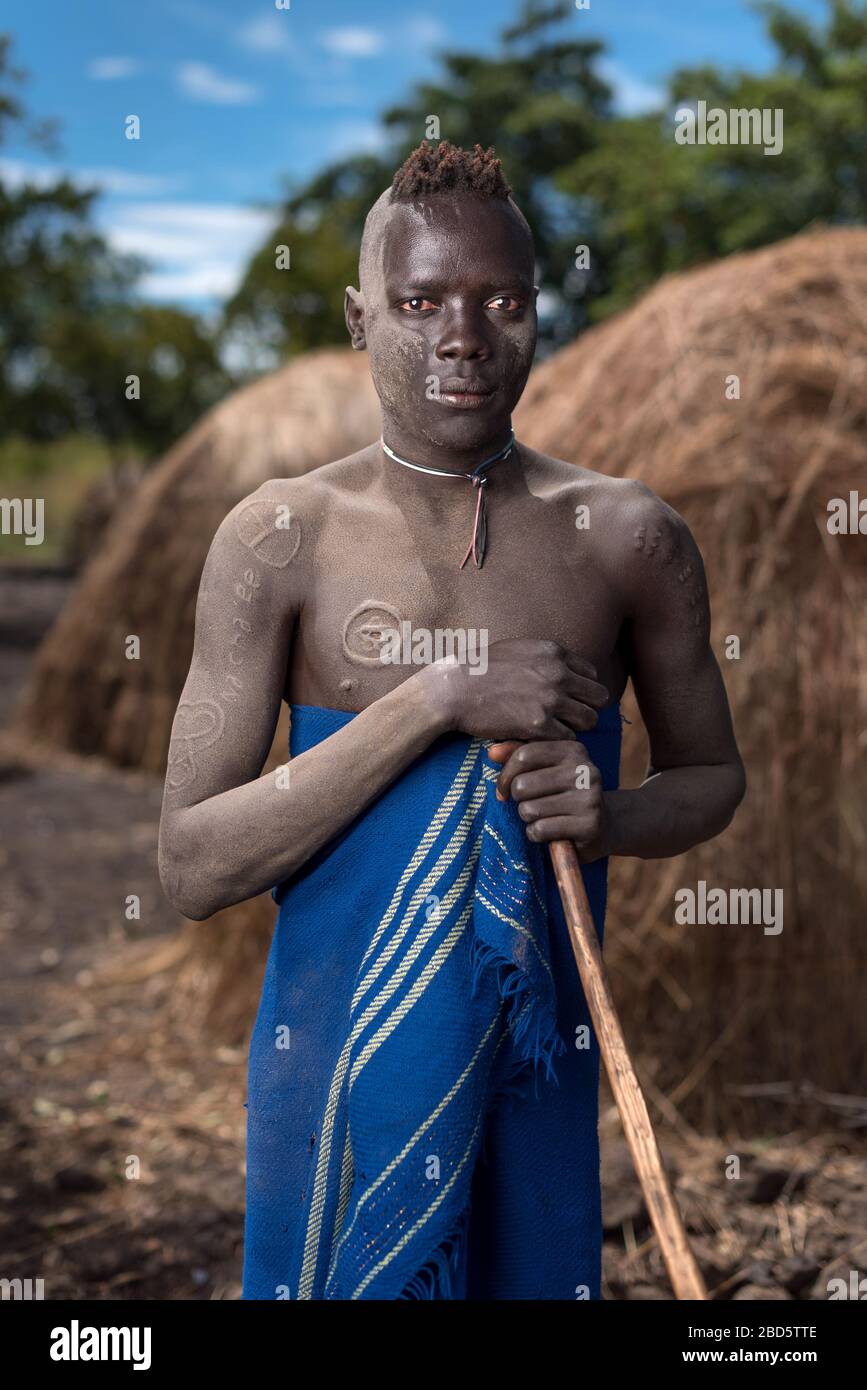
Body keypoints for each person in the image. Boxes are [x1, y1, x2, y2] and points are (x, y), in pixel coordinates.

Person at [158, 141, 745, 1300]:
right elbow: (189, 860)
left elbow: (714, 777)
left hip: (538, 1071)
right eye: (419, 301)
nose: (462, 337)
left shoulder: (630, 537)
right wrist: (437, 698)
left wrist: (610, 815)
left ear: (539, 313)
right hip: (331, 1081)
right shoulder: (280, 539)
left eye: (502, 302)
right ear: (359, 316)